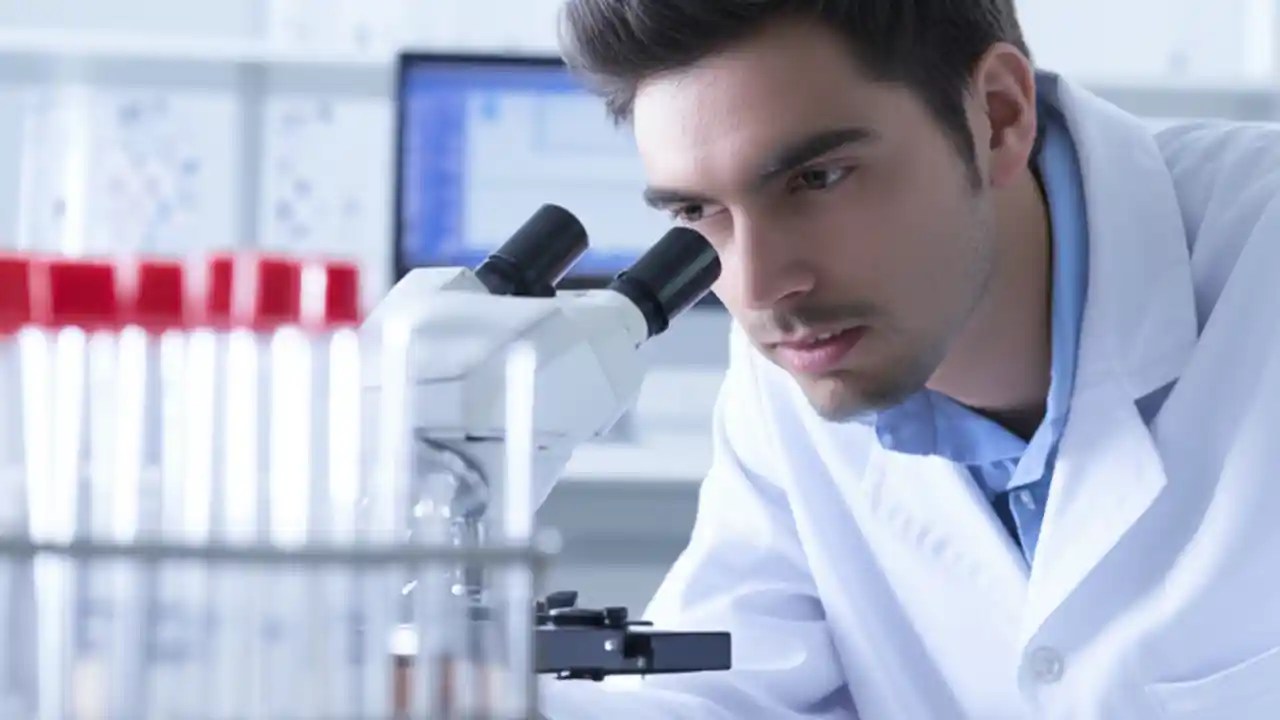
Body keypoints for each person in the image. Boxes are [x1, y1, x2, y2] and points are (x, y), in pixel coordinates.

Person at [537, 1, 1280, 718]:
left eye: (816, 180)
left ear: (997, 116)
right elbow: (736, 689)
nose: (759, 287)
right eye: (697, 212)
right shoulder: (791, 365)